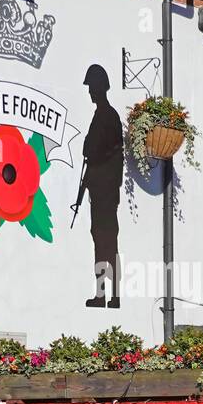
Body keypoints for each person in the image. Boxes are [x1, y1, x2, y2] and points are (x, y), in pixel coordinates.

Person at [82, 63, 123, 308]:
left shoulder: (107, 116)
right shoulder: (103, 115)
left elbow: (101, 152)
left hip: (105, 193)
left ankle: (107, 295)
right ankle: (106, 294)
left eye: (92, 87)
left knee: (106, 244)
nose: (90, 92)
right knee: (104, 243)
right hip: (102, 191)